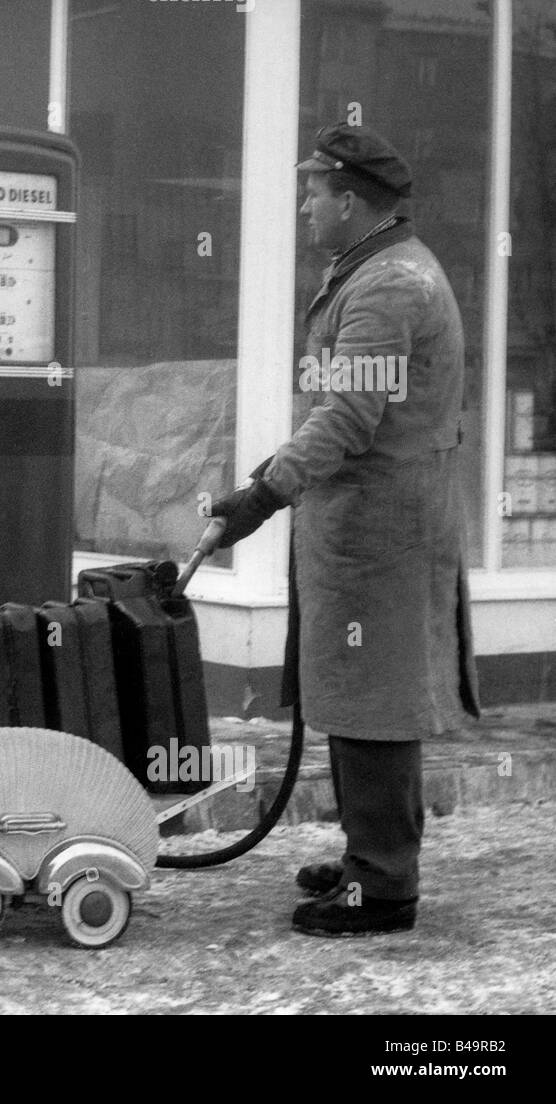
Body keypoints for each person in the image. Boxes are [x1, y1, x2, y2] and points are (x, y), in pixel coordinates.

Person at [210, 123, 480, 937]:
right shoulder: (374, 270)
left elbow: (352, 416)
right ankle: (375, 852)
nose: (303, 208)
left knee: (374, 701)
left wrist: (263, 494)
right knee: (366, 696)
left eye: (312, 194)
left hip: (383, 530)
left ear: (350, 201)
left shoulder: (387, 287)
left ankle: (384, 885)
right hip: (373, 523)